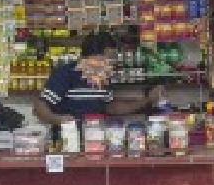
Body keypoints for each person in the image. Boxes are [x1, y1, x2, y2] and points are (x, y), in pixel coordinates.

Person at [33, 31, 161, 126]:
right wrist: (57, 119)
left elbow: (111, 107)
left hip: (96, 138)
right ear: (92, 58)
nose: (112, 63)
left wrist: (147, 100)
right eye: (109, 58)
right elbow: (39, 107)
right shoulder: (65, 73)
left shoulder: (103, 77)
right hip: (68, 140)